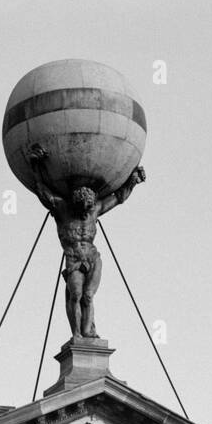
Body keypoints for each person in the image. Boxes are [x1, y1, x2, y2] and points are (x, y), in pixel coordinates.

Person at [27, 144, 145, 339]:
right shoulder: (62, 209)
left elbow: (119, 198)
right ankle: (76, 333)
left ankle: (88, 331)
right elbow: (42, 190)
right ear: (74, 204)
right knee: (75, 296)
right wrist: (35, 165)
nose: (84, 213)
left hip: (92, 257)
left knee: (88, 296)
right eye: (81, 209)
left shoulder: (94, 210)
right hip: (73, 258)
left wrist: (133, 181)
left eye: (87, 209)